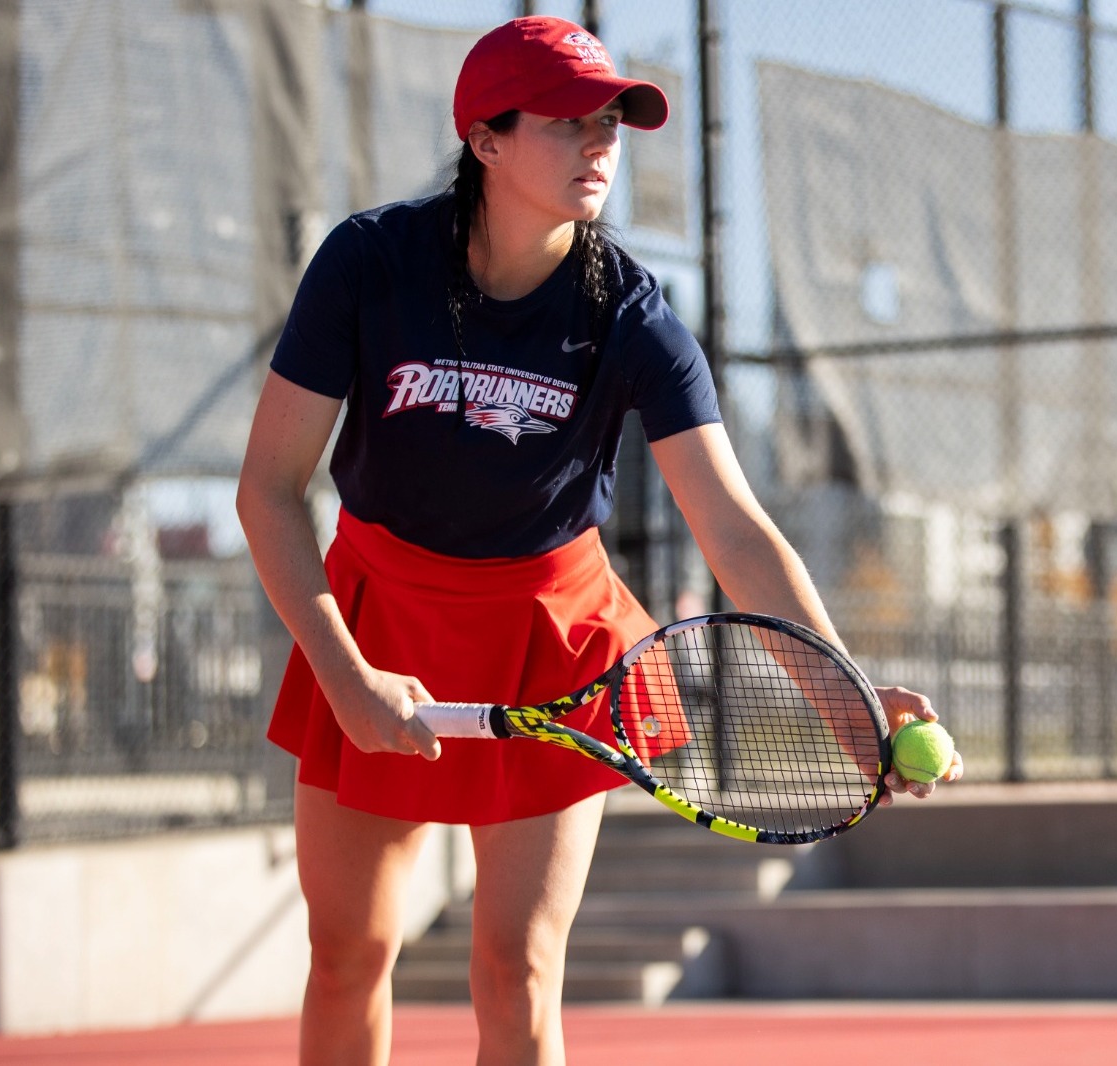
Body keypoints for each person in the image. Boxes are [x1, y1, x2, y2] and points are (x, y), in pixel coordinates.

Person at [236, 16, 963, 1066]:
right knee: (347, 949)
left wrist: (846, 699)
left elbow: (732, 526)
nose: (600, 145)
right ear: (484, 139)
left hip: (550, 633)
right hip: (377, 615)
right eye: (569, 123)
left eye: (612, 123)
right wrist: (345, 677)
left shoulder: (633, 314)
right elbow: (265, 489)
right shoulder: (368, 263)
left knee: (515, 968)